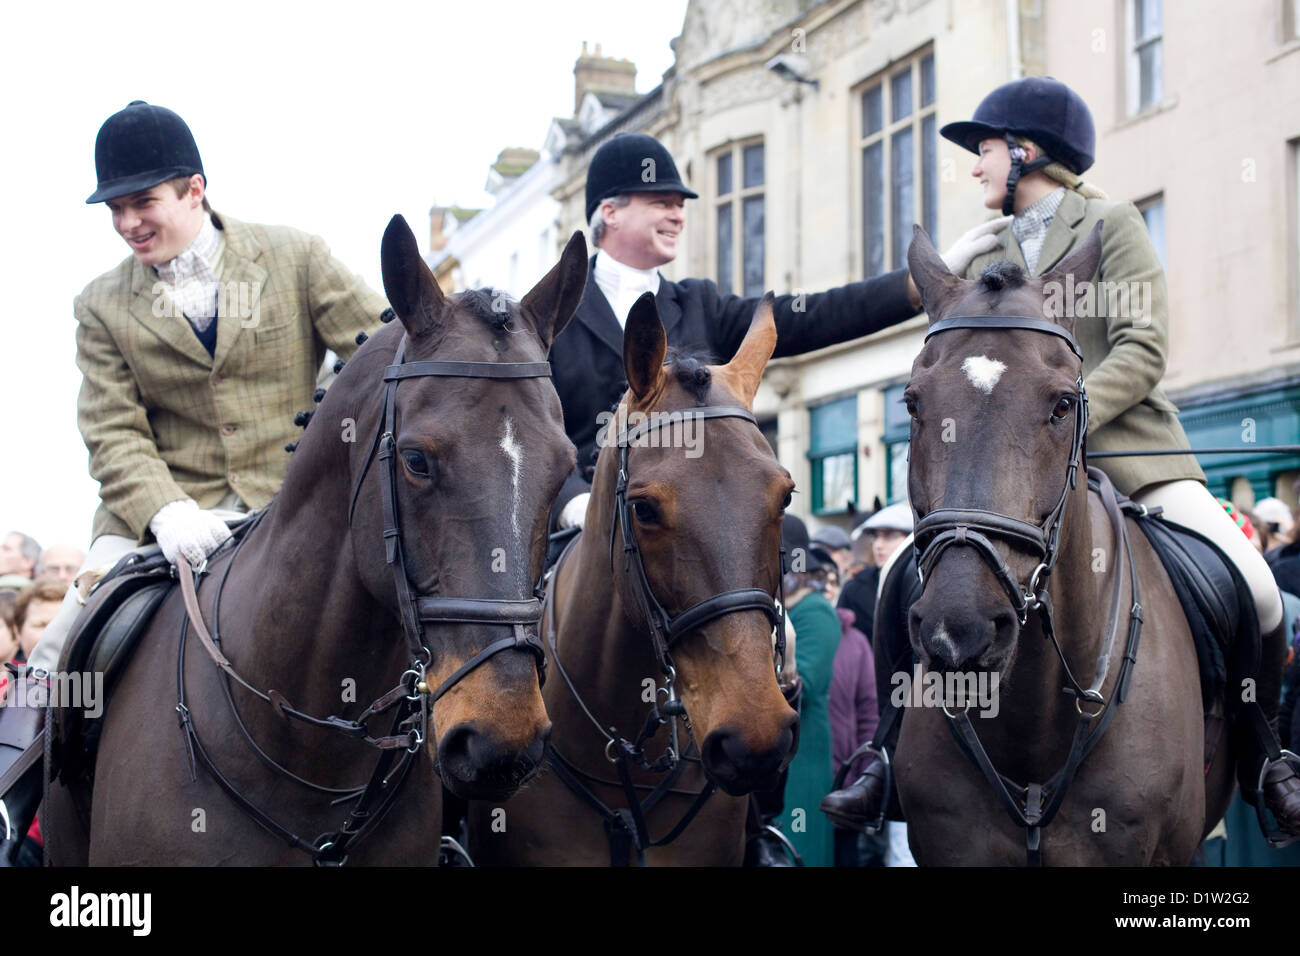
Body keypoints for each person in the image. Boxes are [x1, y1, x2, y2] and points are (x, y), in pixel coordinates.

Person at [821, 75, 1299, 839]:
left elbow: (1145, 348)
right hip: (1014, 472)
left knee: (1256, 588)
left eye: (983, 150)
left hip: (1131, 456)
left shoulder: (1113, 222)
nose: (974, 167)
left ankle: (1269, 755)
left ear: (1027, 151)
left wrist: (1073, 420)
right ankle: (883, 755)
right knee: (895, 588)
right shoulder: (989, 255)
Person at [0, 101, 388, 865]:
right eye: (115, 209)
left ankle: (452, 812)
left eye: (142, 203)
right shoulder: (100, 303)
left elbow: (381, 351)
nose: (127, 224)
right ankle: (21, 815)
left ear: (194, 190)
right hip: (155, 516)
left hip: (289, 508)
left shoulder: (296, 257)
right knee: (62, 648)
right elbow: (111, 431)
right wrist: (167, 508)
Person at [549, 132, 1009, 531]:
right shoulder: (556, 313)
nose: (678, 215)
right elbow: (535, 432)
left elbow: (806, 315)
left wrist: (920, 280)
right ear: (609, 212)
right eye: (661, 204)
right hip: (587, 528)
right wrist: (573, 502)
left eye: (680, 205)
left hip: (689, 526)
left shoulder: (699, 304)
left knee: (780, 634)